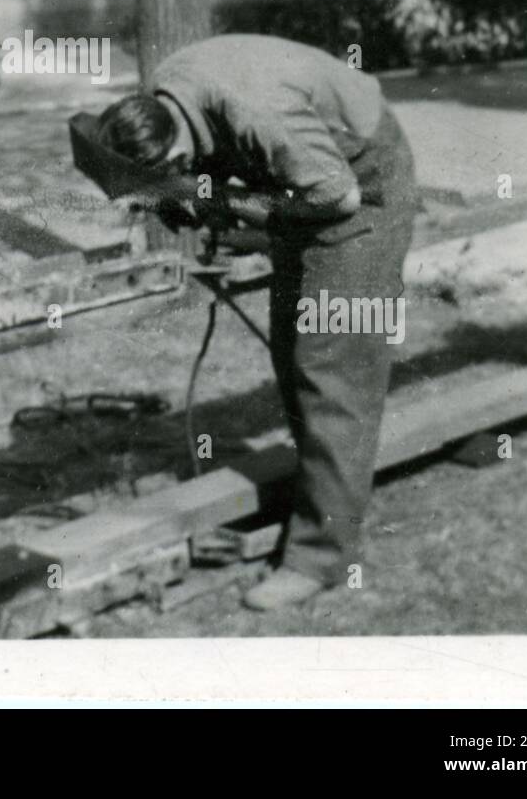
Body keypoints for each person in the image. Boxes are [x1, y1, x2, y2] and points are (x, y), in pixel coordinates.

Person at [95, 33, 420, 611]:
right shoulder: (164, 97)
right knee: (292, 354)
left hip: (361, 184)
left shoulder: (257, 110)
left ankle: (320, 557)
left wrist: (233, 206)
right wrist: (192, 202)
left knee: (330, 365)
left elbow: (336, 199)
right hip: (310, 171)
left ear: (173, 155)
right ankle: (318, 491)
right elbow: (218, 173)